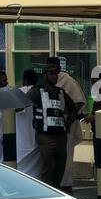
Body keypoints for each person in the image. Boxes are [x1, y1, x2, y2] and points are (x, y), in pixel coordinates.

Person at [29, 58, 71, 188]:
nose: (55, 76)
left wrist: (68, 124)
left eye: (56, 73)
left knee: (60, 168)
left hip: (60, 136)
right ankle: (47, 194)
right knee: (49, 167)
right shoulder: (37, 91)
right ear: (45, 74)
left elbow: (74, 108)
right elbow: (23, 104)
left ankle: (56, 191)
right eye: (52, 73)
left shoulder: (61, 92)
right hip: (45, 136)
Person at [53, 63, 87, 193]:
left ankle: (66, 185)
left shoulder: (67, 81)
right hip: (54, 125)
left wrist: (69, 118)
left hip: (67, 125)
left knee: (66, 155)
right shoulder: (49, 83)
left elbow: (79, 102)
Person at [15, 68, 42, 177]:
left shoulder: (19, 92)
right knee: (36, 176)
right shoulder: (41, 93)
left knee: (21, 175)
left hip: (22, 141)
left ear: (24, 80)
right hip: (38, 139)